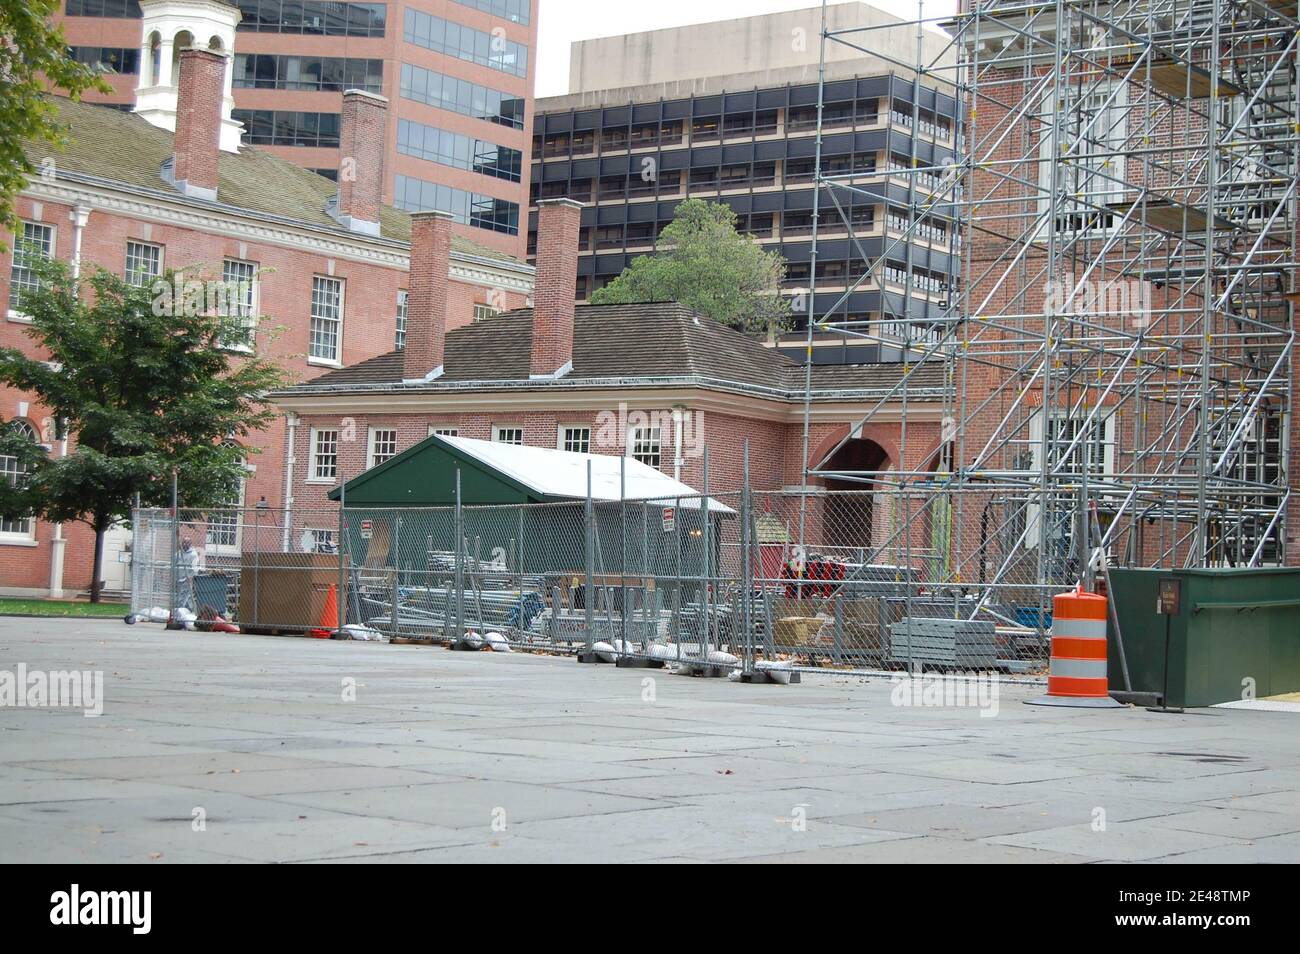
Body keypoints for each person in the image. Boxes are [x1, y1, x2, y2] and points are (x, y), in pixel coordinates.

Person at [175, 537, 201, 612]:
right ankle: (188, 610)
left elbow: (195, 568)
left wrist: (191, 577)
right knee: (181, 596)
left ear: (190, 544)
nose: (184, 544)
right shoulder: (178, 554)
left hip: (187, 579)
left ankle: (179, 611)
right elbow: (174, 564)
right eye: (183, 542)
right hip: (178, 578)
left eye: (186, 543)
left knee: (184, 596)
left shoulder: (193, 555)